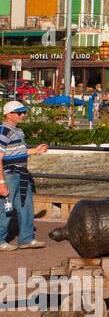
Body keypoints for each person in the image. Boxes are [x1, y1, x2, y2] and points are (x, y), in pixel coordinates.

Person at [0, 101, 49, 251]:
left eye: (23, 112)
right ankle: (1, 240)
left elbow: (18, 152)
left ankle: (26, 239)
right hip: (9, 175)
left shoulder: (18, 131)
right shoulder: (3, 131)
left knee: (26, 207)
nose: (23, 115)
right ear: (9, 115)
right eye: (19, 113)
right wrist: (1, 182)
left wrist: (35, 150)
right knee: (5, 209)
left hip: (21, 174)